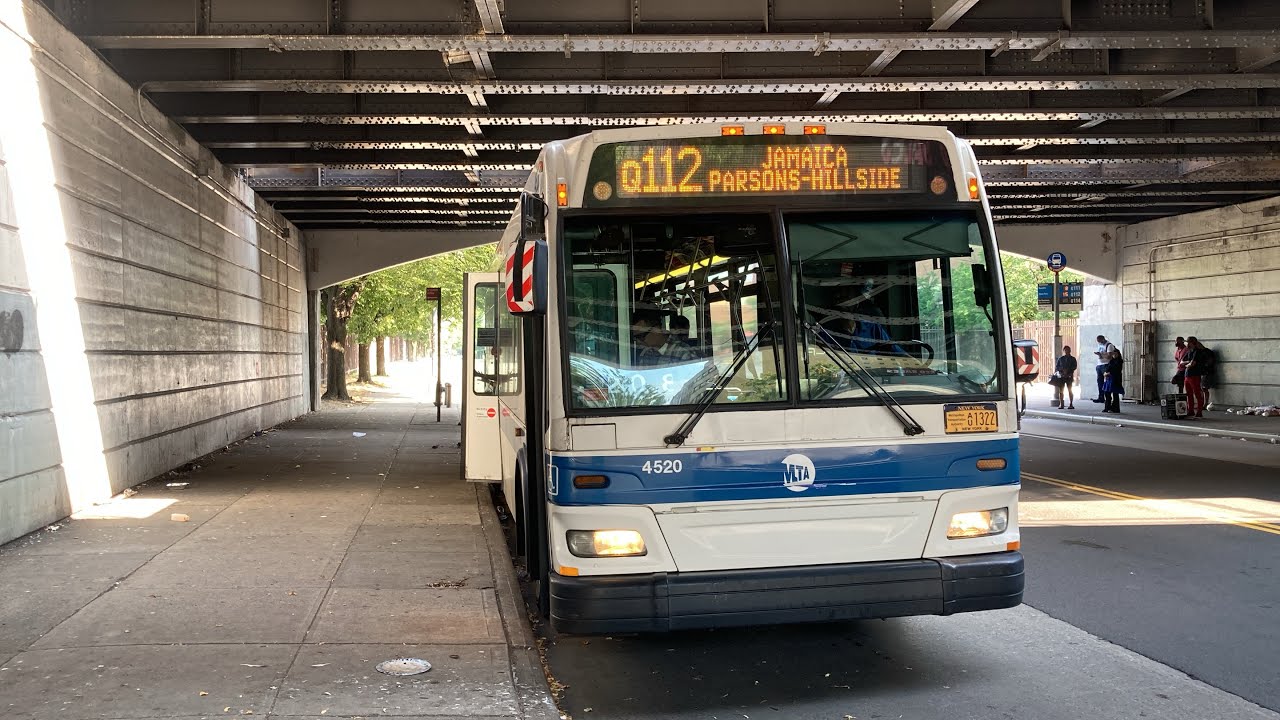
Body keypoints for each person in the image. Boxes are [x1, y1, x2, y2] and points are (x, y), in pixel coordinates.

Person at [1183, 336, 1208, 419]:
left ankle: (1199, 412)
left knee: (1197, 393)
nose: (1187, 344)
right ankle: (1190, 410)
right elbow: (1182, 362)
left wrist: (1187, 364)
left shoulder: (1197, 352)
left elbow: (1192, 364)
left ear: (1193, 343)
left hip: (1195, 375)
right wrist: (1188, 363)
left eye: (1188, 342)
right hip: (1187, 375)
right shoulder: (1189, 351)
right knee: (1189, 394)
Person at [1092, 335, 1117, 403]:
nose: (1099, 342)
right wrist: (1099, 355)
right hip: (1099, 365)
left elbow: (1109, 356)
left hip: (1106, 365)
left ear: (1103, 339)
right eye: (1098, 341)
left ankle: (1108, 398)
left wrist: (1101, 355)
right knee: (1100, 382)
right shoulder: (1100, 345)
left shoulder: (1109, 345)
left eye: (1100, 341)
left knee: (1107, 382)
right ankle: (1101, 397)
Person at [1101, 347, 1124, 413]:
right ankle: (1107, 407)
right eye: (1113, 354)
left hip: (1115, 379)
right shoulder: (1111, 361)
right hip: (1109, 379)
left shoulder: (1119, 361)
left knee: (1115, 394)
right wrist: (1105, 372)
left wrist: (1109, 373)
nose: (1114, 355)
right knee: (1107, 393)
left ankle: (1115, 408)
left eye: (1115, 354)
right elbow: (1108, 367)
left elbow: (1116, 369)